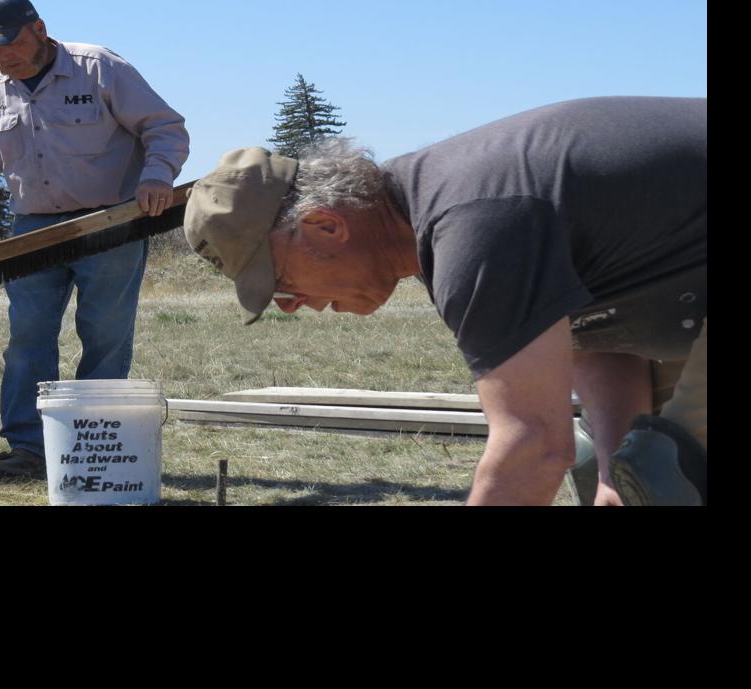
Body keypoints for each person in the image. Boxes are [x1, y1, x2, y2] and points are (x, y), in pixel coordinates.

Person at [182, 97, 707, 506]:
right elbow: (596, 338)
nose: (291, 305)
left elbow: (534, 445)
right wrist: (617, 477)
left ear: (324, 225)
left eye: (280, 281)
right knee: (629, 465)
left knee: (670, 471)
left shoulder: (473, 225)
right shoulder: (436, 212)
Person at [0, 0, 189, 481]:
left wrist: (157, 176)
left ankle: (93, 443)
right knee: (27, 338)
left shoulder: (99, 67)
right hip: (33, 232)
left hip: (113, 222)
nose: (1, 57)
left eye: (9, 43)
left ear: (39, 29)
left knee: (106, 334)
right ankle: (29, 448)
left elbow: (164, 127)